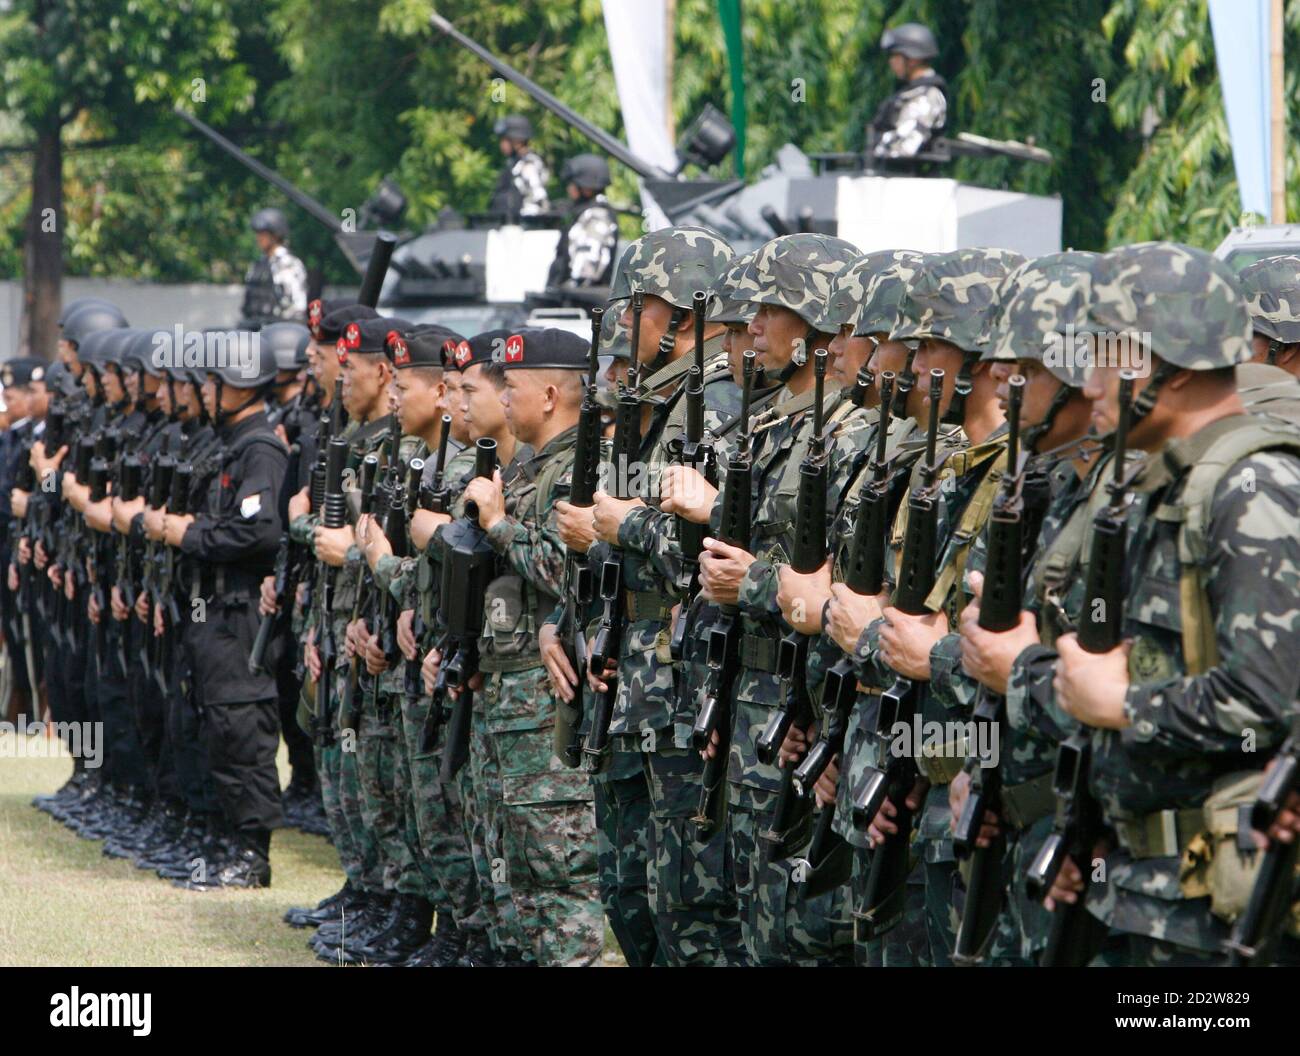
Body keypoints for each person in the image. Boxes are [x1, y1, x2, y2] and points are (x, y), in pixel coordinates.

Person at [1043, 243, 1300, 966]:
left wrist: (1123, 705)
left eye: (1102, 354)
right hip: (1143, 892)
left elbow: (1264, 705)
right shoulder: (1168, 486)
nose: (1087, 381)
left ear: (1168, 366)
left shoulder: (1251, 490)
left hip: (1217, 916)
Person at [167, 336, 288, 888]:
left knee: (242, 727)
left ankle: (251, 852)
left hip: (238, 616)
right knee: (214, 724)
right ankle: (223, 839)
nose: (205, 393)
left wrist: (187, 533)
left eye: (214, 383)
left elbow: (259, 532)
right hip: (209, 610)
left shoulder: (259, 449)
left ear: (239, 386)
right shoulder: (229, 445)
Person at [868, 22, 948, 162]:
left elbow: (904, 147)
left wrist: (880, 146)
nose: (891, 62)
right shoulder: (911, 93)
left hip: (905, 176)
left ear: (913, 59)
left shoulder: (928, 97)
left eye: (896, 56)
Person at [547, 154, 619, 288]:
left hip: (578, 304)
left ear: (586, 188)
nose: (569, 188)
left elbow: (584, 274)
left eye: (573, 183)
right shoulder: (586, 213)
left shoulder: (596, 217)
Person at [241, 207, 309, 329]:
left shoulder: (288, 264)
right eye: (258, 234)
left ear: (276, 235)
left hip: (278, 332)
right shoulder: (258, 265)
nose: (258, 238)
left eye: (263, 234)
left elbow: (296, 308)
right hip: (253, 328)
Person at [489, 115, 550, 220]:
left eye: (505, 140)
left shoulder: (529, 165)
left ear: (517, 141)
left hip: (525, 227)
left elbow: (538, 199)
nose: (501, 144)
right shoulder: (515, 164)